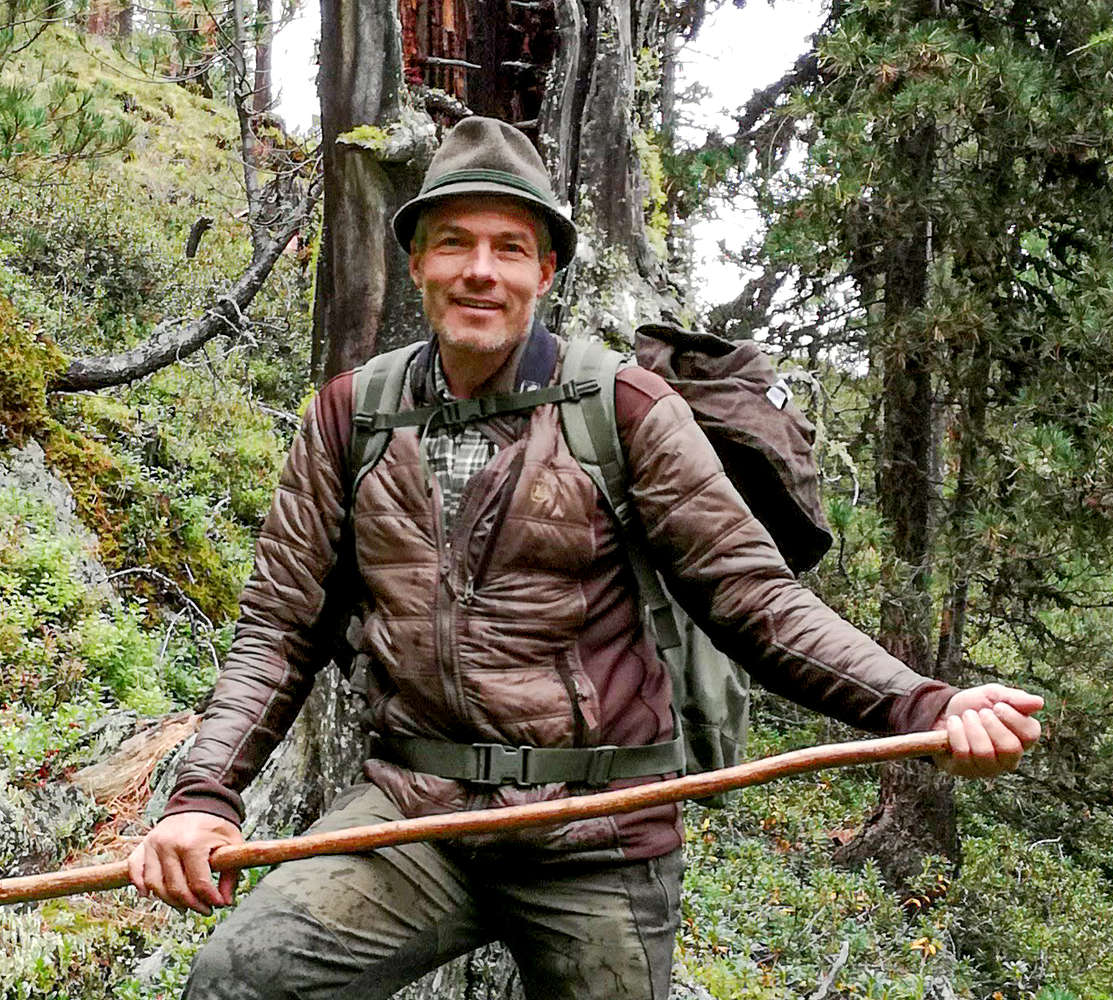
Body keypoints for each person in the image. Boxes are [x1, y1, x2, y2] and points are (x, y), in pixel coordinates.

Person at [127, 116, 1045, 1000]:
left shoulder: (625, 409)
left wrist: (926, 704)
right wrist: (203, 796)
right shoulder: (351, 414)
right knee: (243, 979)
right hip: (415, 812)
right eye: (454, 243)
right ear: (416, 262)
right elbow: (279, 628)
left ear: (545, 270)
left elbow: (755, 601)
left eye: (509, 248)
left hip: (598, 831)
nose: (479, 270)